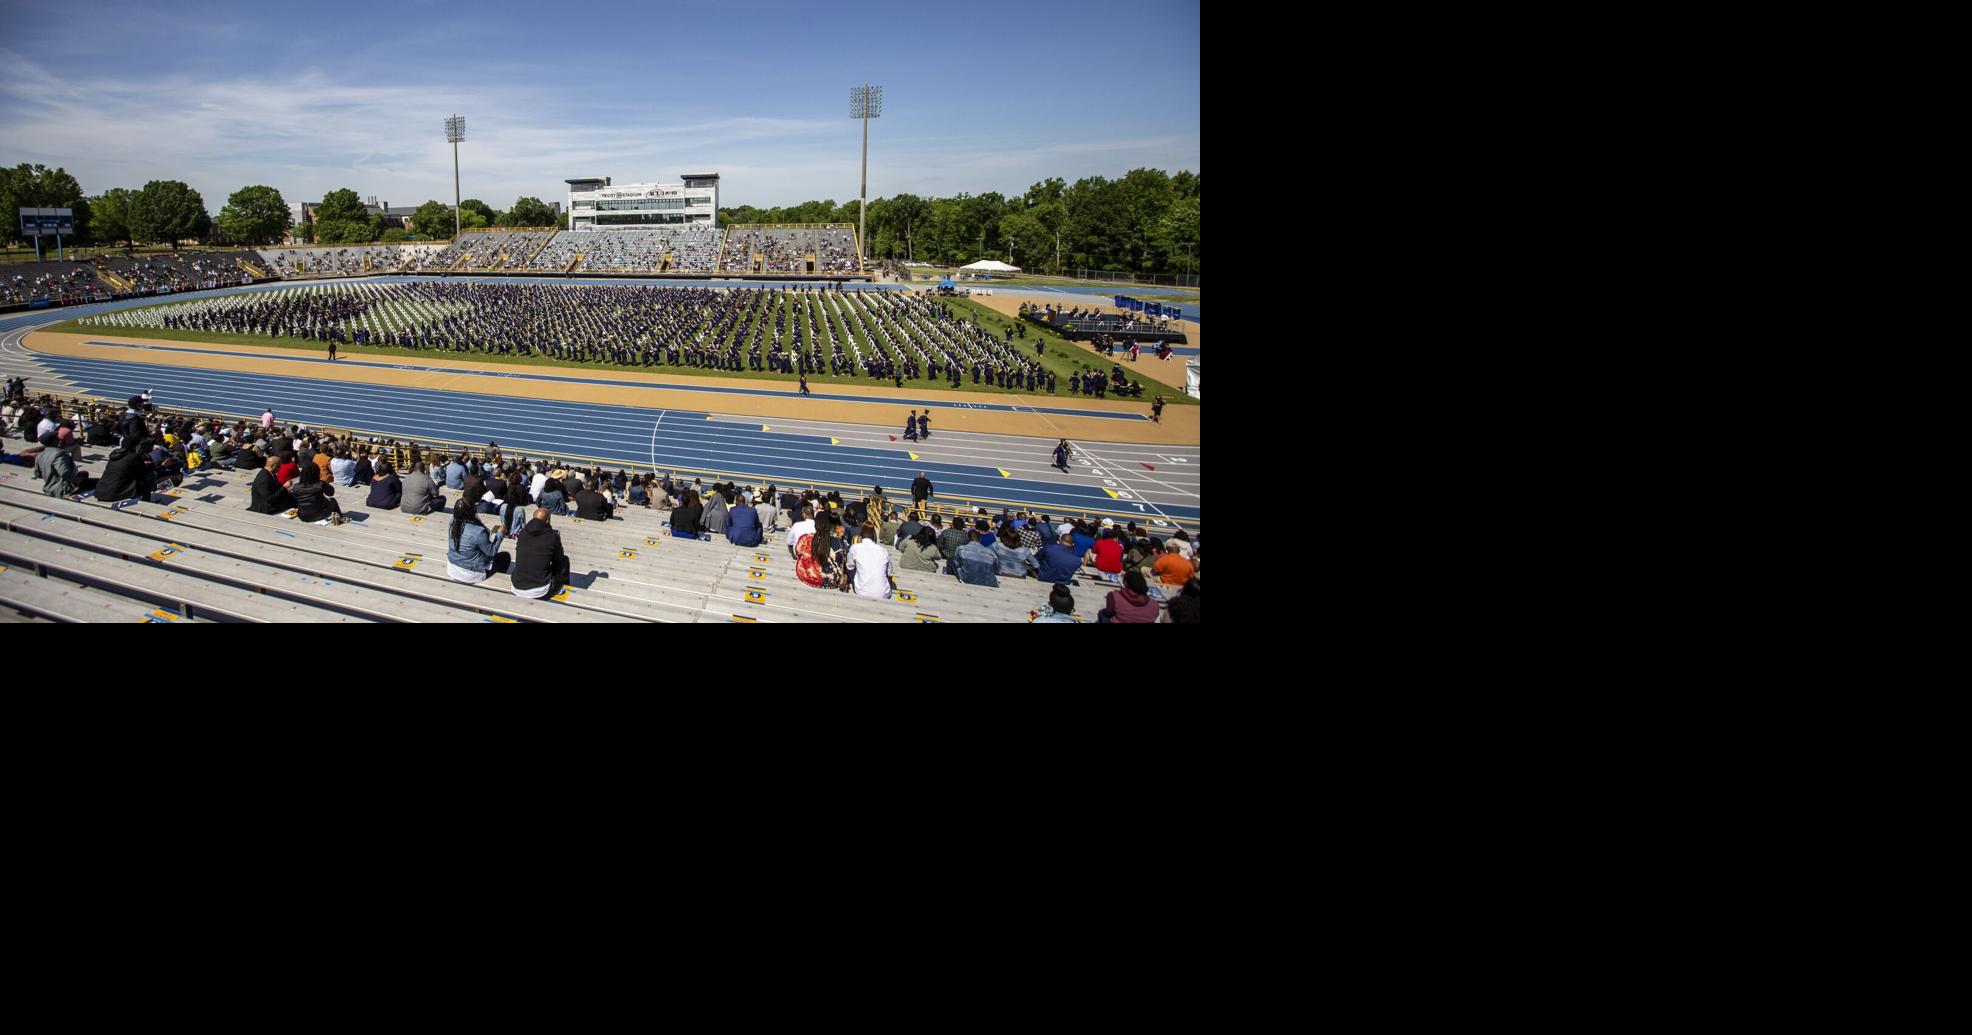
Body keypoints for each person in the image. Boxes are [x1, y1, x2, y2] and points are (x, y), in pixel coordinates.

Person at [510, 507, 570, 599]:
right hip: (540, 590)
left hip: (517, 585)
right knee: (564, 561)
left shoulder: (522, 533)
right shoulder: (552, 536)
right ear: (548, 521)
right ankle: (561, 587)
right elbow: (558, 560)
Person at [446, 499, 508, 584]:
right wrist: (500, 534)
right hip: (472, 574)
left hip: (452, 569)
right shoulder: (479, 531)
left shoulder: (452, 521)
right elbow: (492, 552)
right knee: (505, 557)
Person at [794, 514, 846, 590]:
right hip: (830, 581)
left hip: (806, 575)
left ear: (816, 525)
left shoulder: (806, 537)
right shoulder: (838, 542)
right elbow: (841, 560)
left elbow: (797, 553)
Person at [35, 430, 93, 497]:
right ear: (53, 441)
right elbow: (65, 473)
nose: (59, 439)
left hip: (48, 488)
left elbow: (37, 473)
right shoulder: (59, 454)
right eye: (57, 438)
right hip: (62, 489)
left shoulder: (40, 455)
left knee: (83, 474)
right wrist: (81, 482)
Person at [290, 459, 348, 525]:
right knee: (333, 500)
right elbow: (331, 493)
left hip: (303, 516)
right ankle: (339, 518)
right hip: (318, 515)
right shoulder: (320, 484)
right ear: (317, 472)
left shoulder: (296, 486)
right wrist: (324, 483)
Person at [94, 439, 152, 505]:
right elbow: (142, 472)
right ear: (135, 446)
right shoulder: (134, 456)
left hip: (101, 491)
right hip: (116, 494)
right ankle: (145, 501)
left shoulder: (114, 455)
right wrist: (147, 465)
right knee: (151, 475)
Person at [845, 522, 896, 598]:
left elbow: (849, 567)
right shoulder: (884, 551)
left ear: (861, 535)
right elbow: (889, 573)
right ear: (874, 536)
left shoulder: (855, 548)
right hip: (883, 593)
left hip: (861, 591)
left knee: (852, 567)